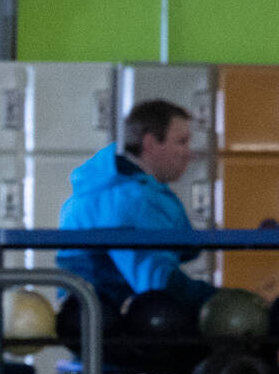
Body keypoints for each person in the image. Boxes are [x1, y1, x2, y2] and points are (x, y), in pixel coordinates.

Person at [58, 98, 215, 311]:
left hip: (84, 319)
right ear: (150, 143)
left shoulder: (102, 185)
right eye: (181, 141)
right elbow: (156, 282)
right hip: (118, 323)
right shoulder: (134, 198)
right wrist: (219, 300)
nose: (189, 153)